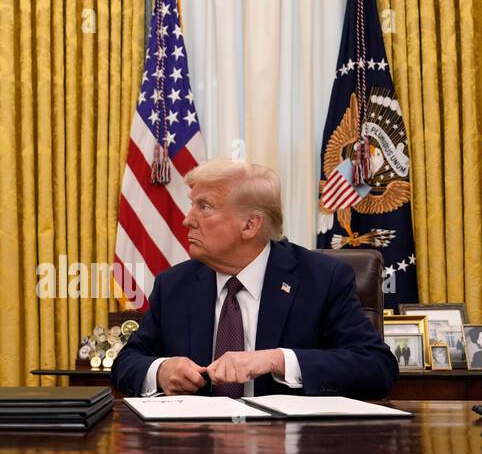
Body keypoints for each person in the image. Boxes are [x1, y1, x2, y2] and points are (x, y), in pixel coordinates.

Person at [111, 159, 398, 399]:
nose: (188, 219)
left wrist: (276, 360)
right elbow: (126, 362)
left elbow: (376, 368)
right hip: (195, 453)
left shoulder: (321, 279)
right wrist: (160, 371)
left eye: (205, 206)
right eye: (192, 205)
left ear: (250, 225)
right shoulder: (174, 285)